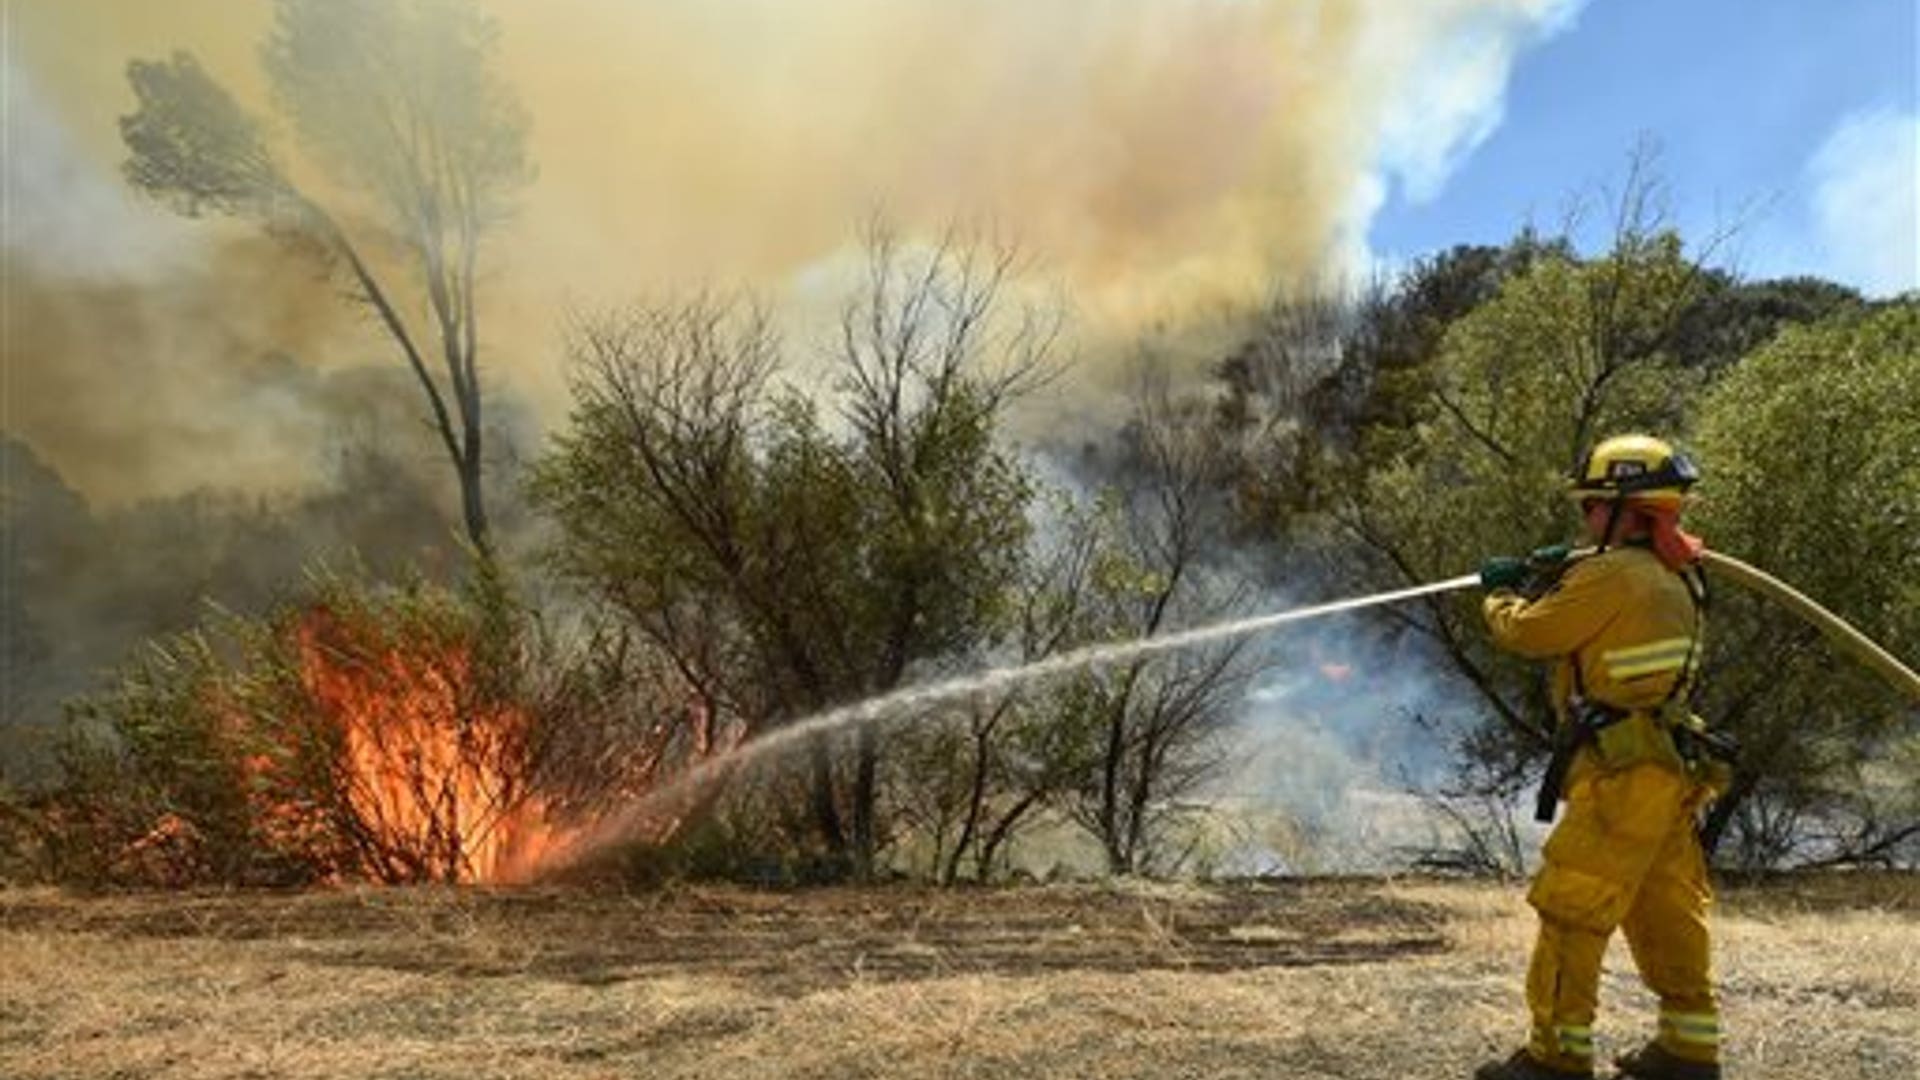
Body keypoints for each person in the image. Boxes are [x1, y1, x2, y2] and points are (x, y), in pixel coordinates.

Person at [1473, 434, 1731, 1080]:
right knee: (1668, 910)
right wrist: (1559, 574)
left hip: (1621, 776)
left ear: (1622, 508)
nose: (1586, 517)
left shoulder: (1610, 574)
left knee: (1572, 907)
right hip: (1668, 771)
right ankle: (1689, 1049)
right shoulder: (1679, 573)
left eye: (1592, 504)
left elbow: (1531, 632)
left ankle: (1556, 1057)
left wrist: (1501, 595)